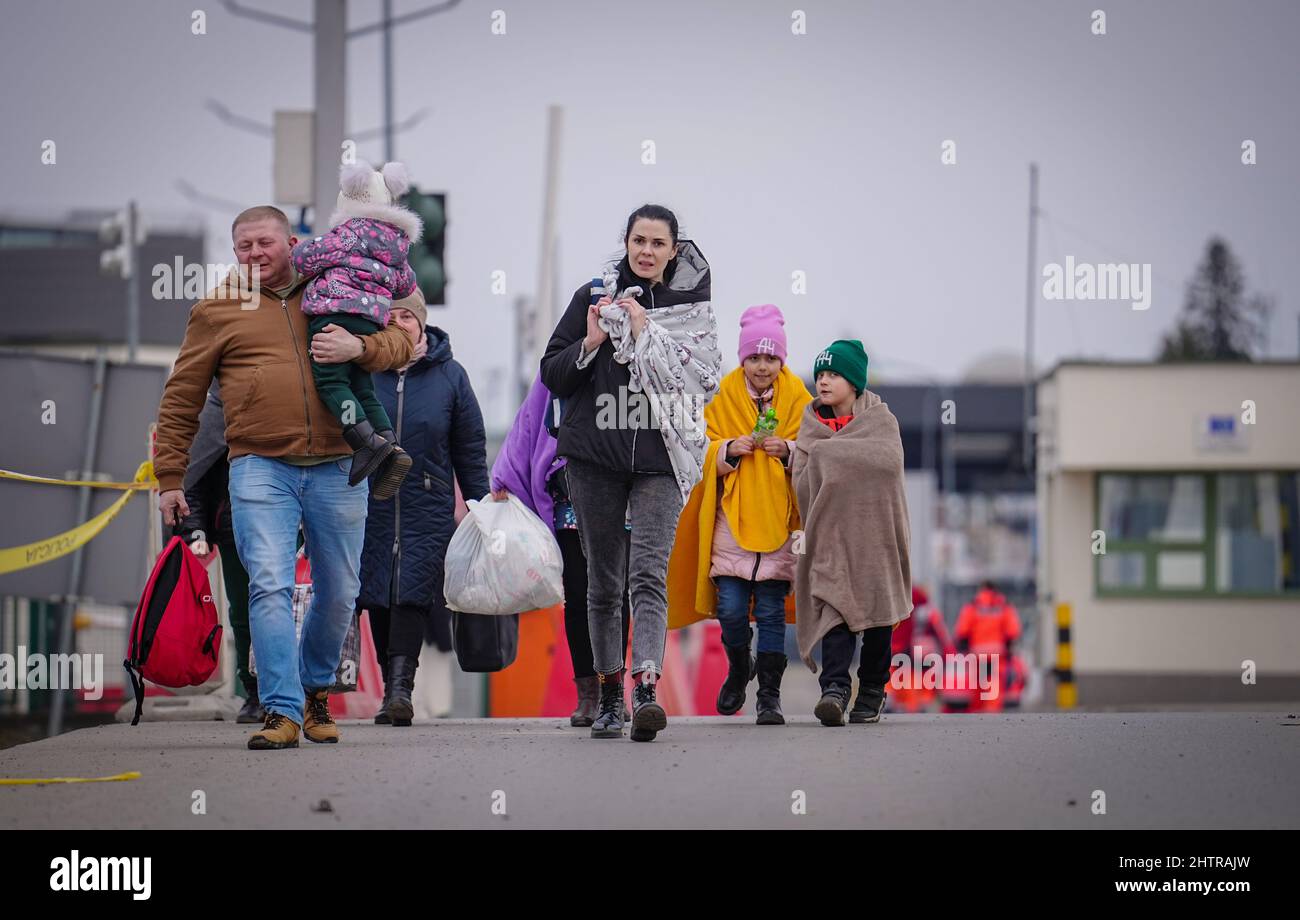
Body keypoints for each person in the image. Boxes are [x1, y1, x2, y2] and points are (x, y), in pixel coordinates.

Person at [155, 204, 414, 751]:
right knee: (268, 583)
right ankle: (281, 708)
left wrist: (359, 347)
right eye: (244, 246)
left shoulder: (333, 284)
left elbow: (401, 342)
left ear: (291, 241)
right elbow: (183, 395)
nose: (255, 254)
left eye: (265, 242)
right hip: (258, 465)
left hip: (340, 464)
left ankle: (316, 689)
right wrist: (170, 478)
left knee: (340, 592)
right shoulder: (216, 309)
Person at [540, 204, 721, 742]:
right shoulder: (592, 298)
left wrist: (648, 330)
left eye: (657, 243)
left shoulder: (693, 310)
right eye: (638, 241)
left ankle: (645, 688)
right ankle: (609, 697)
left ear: (673, 250)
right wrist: (595, 340)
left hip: (662, 461)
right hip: (594, 458)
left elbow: (704, 377)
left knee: (648, 575)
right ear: (625, 242)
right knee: (603, 582)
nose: (646, 251)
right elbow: (552, 374)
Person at [666, 305, 811, 724]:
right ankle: (737, 666)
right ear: (742, 358)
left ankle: (769, 695)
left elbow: (816, 450)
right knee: (729, 608)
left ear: (780, 360)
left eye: (770, 358)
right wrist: (728, 449)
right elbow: (700, 445)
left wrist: (791, 452)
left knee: (769, 612)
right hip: (730, 524)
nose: (761, 366)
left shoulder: (799, 398)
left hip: (779, 526)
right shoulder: (723, 394)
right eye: (753, 357)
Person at [358, 287, 490, 726]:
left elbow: (469, 448)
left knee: (412, 591)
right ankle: (388, 681)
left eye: (406, 316)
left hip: (427, 500)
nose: (397, 322)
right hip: (369, 499)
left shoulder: (450, 376)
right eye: (388, 316)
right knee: (376, 593)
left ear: (421, 323)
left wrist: (479, 507)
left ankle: (400, 690)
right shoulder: (361, 371)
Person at [490, 372, 632, 727]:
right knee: (579, 593)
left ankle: (612, 687)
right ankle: (588, 692)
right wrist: (505, 477)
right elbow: (529, 421)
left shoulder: (631, 361)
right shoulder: (559, 367)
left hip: (619, 490)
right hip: (568, 495)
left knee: (616, 593)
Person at [792, 339, 913, 727]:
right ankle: (835, 690)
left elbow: (888, 466)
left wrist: (830, 457)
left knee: (878, 618)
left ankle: (873, 691)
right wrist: (829, 460)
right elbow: (802, 481)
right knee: (834, 613)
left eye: (834, 374)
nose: (824, 382)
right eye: (820, 374)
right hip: (829, 540)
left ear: (855, 382)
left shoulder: (881, 421)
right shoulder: (810, 424)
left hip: (876, 540)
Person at [291, 160, 421, 498]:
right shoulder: (398, 245)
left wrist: (299, 249)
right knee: (362, 386)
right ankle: (390, 444)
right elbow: (407, 286)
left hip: (334, 311)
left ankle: (363, 440)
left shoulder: (347, 234)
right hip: (370, 321)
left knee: (331, 381)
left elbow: (306, 258)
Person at [175, 381, 262, 723]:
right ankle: (253, 690)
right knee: (243, 612)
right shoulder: (213, 409)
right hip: (232, 528)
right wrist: (196, 530)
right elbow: (194, 477)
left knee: (283, 606)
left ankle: (290, 690)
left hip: (287, 527)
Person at [952, 580, 1022, 713]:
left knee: (979, 683)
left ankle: (977, 712)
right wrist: (1007, 645)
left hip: (978, 653)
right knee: (994, 683)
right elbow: (1013, 631)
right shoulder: (1003, 606)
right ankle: (992, 712)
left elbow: (962, 630)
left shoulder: (973, 605)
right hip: (997, 653)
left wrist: (964, 645)